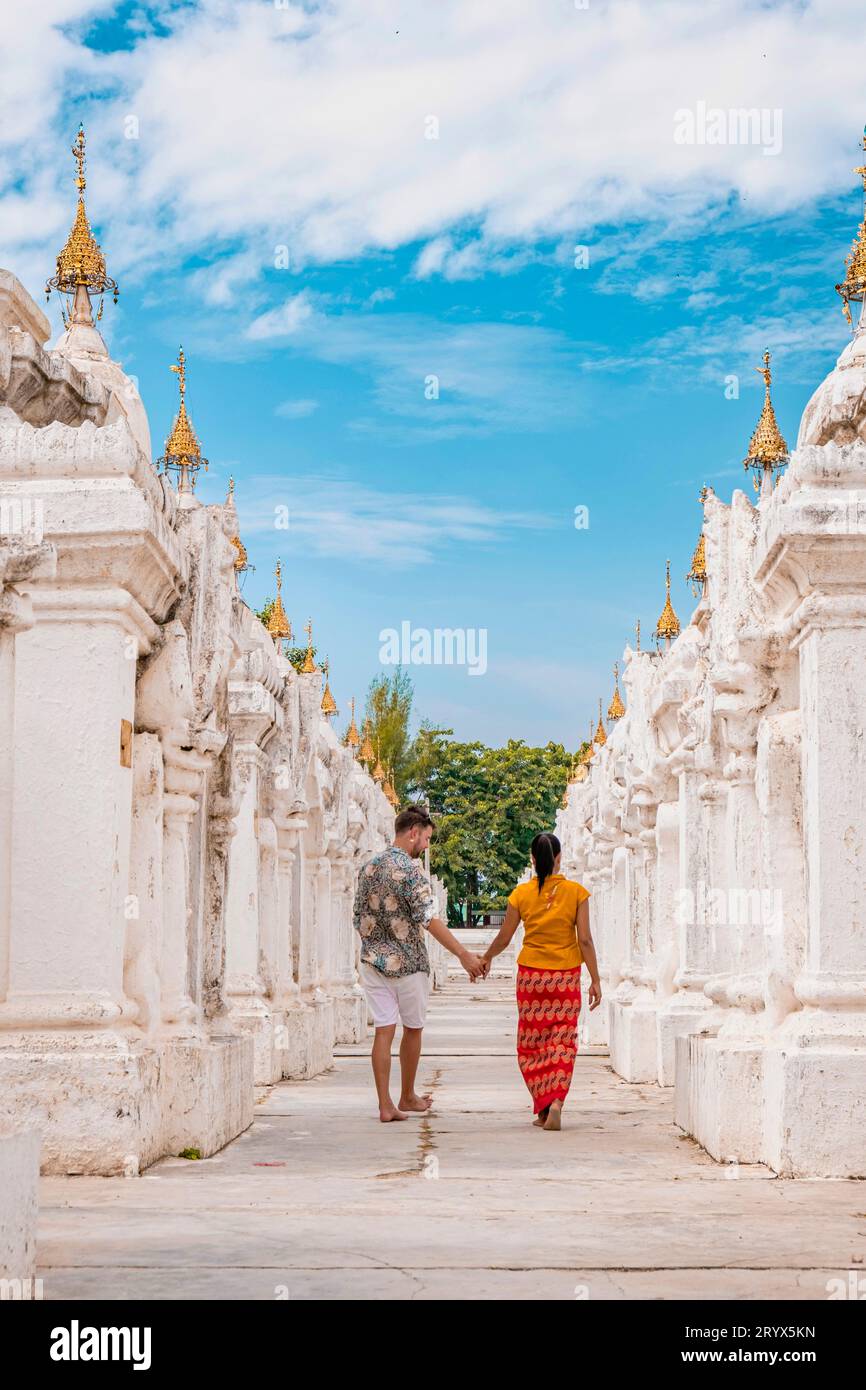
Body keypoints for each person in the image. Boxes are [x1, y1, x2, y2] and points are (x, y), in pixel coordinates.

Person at [353, 804, 486, 1123]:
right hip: (408, 964)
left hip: (372, 962)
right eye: (425, 838)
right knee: (412, 1029)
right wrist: (464, 955)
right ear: (413, 833)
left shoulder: (368, 868)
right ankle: (407, 1095)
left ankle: (386, 1105)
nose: (426, 845)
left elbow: (358, 916)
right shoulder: (412, 873)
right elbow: (429, 919)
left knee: (383, 1031)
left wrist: (377, 942)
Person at [478, 831, 601, 1130]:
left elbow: (505, 937)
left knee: (533, 1044)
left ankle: (544, 1107)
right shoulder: (576, 893)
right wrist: (595, 979)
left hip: (532, 979)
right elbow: (584, 939)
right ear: (559, 859)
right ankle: (556, 1102)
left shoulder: (520, 895)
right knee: (562, 1041)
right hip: (565, 978)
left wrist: (486, 957)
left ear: (532, 860)